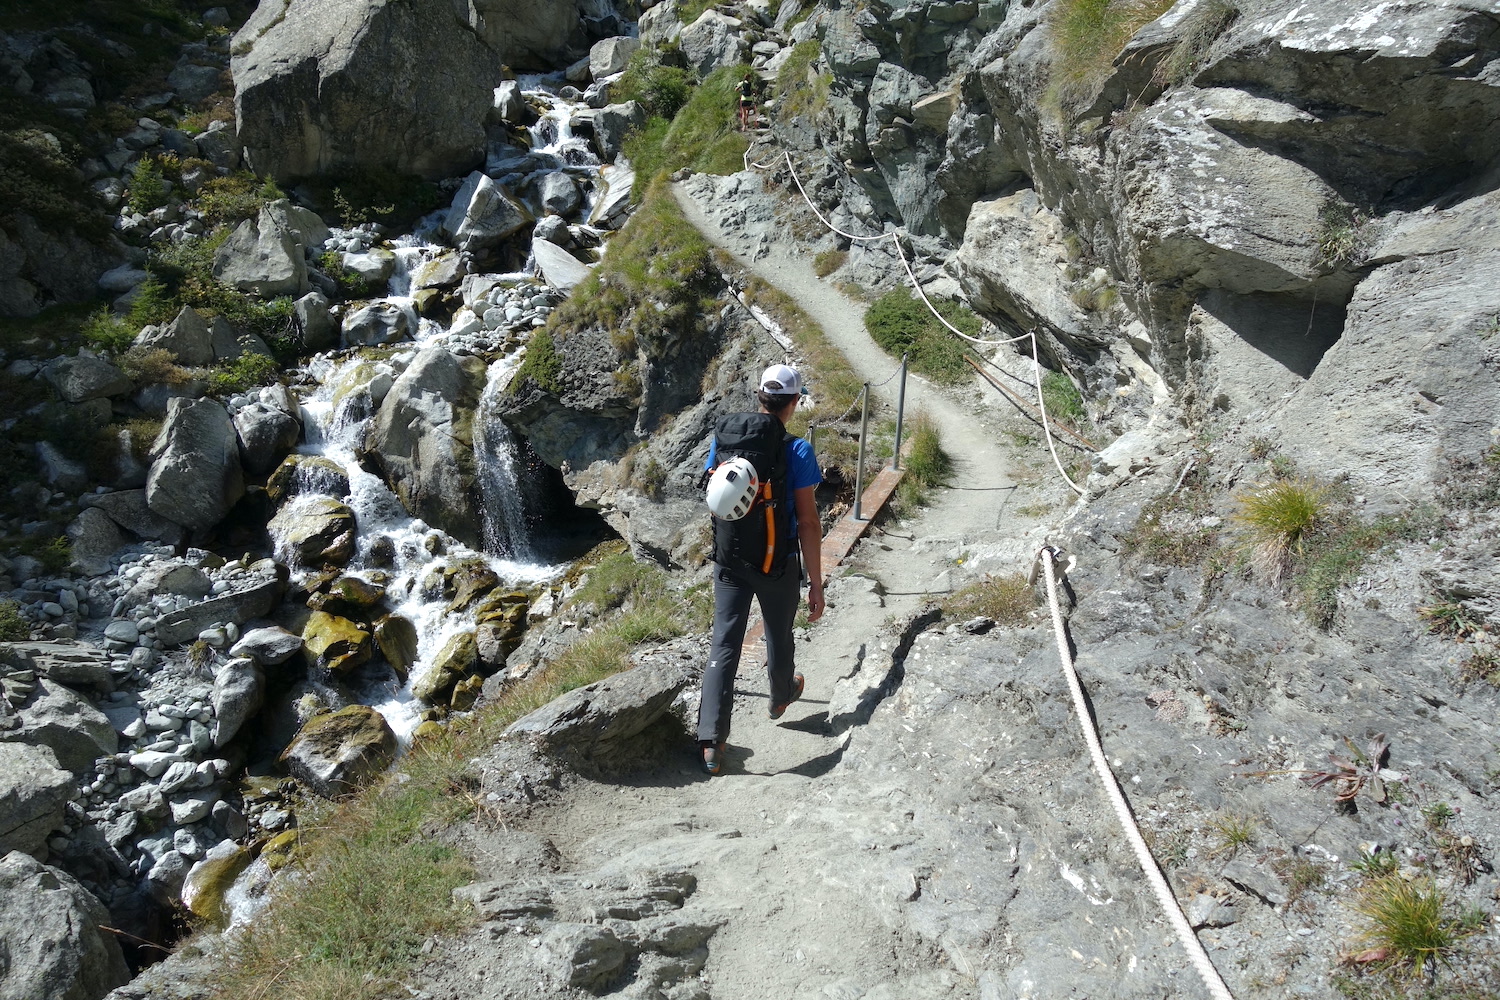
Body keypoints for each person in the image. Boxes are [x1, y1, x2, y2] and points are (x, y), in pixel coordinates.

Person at [697, 364, 824, 776]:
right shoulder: (797, 450)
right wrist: (816, 583)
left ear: (759, 397)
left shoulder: (725, 439)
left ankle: (711, 741)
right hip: (777, 561)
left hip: (730, 559)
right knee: (778, 632)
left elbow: (713, 493)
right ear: (795, 401)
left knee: (724, 643)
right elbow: (808, 522)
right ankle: (781, 695)